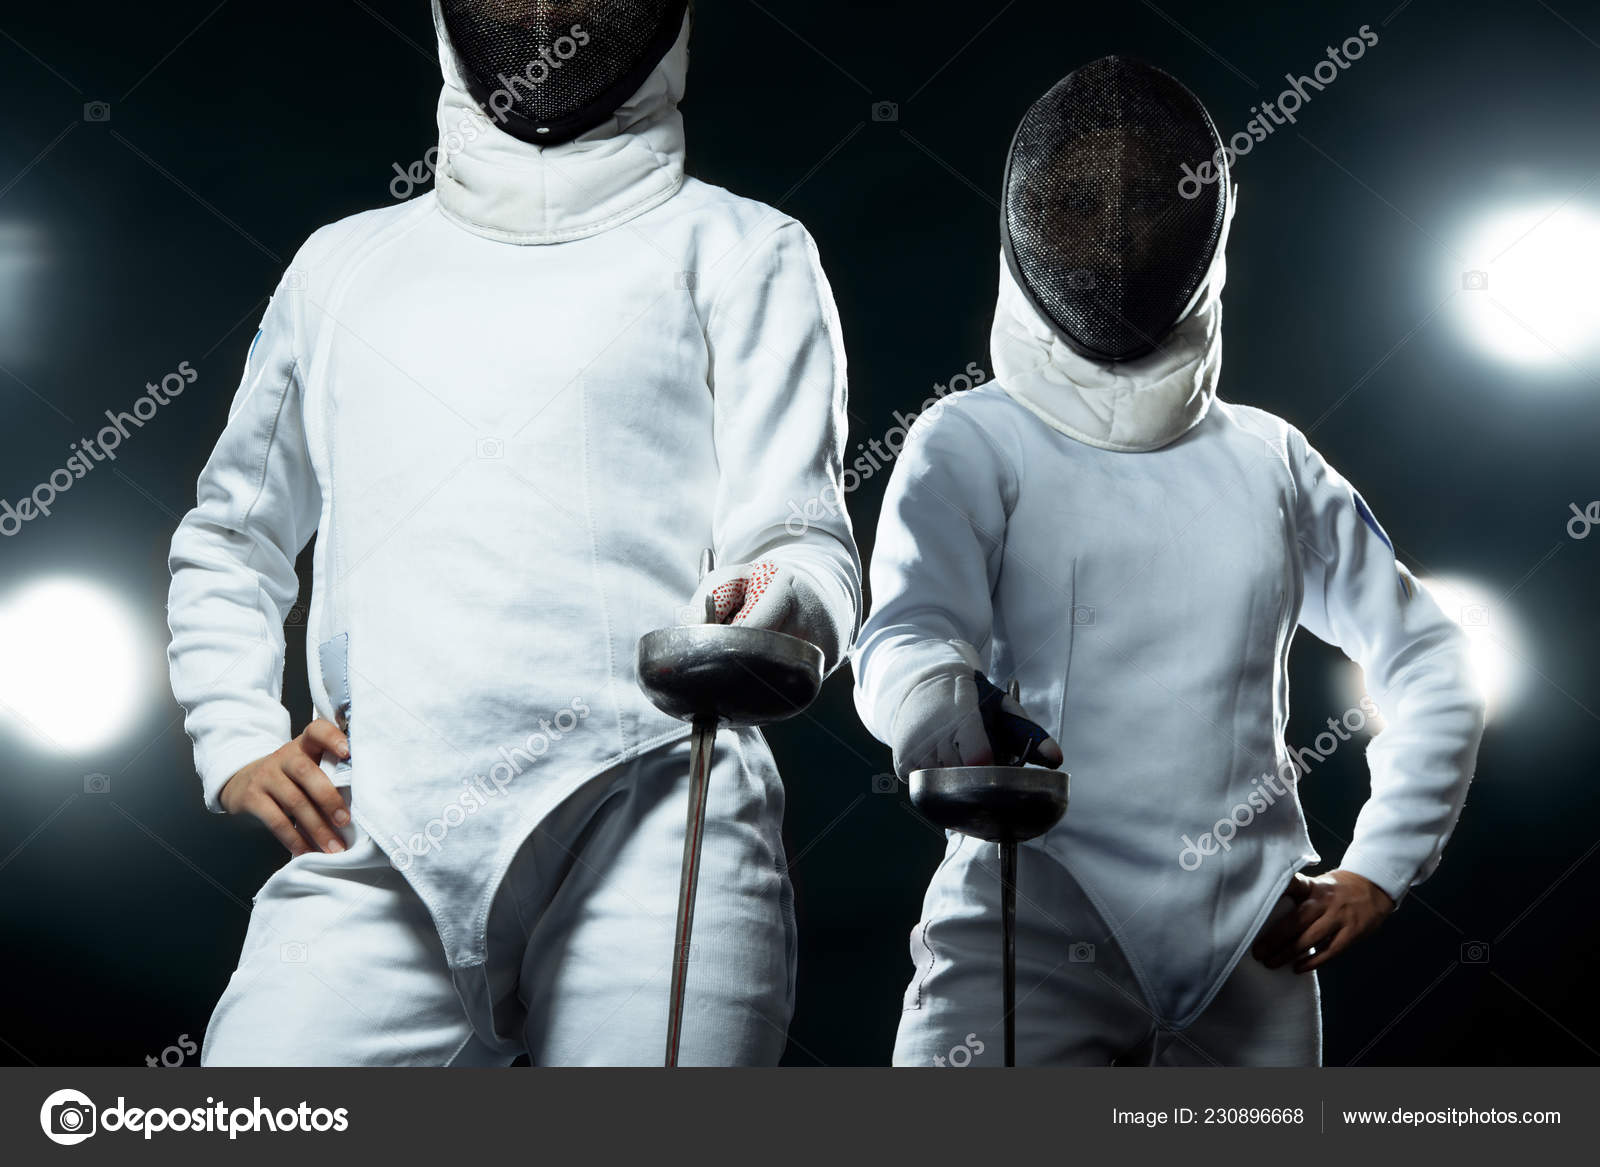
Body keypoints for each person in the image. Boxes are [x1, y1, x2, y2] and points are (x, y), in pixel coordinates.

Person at [167, 0, 859, 1067]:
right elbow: (232, 535)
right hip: (380, 826)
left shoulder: (743, 249)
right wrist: (234, 736)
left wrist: (772, 601)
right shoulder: (343, 267)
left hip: (659, 811)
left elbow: (803, 536)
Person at [851, 56, 1483, 1067]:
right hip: (1021, 929)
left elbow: (1430, 660)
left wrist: (1382, 865)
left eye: (1142, 199)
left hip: (1252, 955)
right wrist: (935, 704)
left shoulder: (1269, 460)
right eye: (1073, 200)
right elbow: (909, 623)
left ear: (1202, 225)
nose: (1106, 231)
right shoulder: (967, 438)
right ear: (1023, 219)